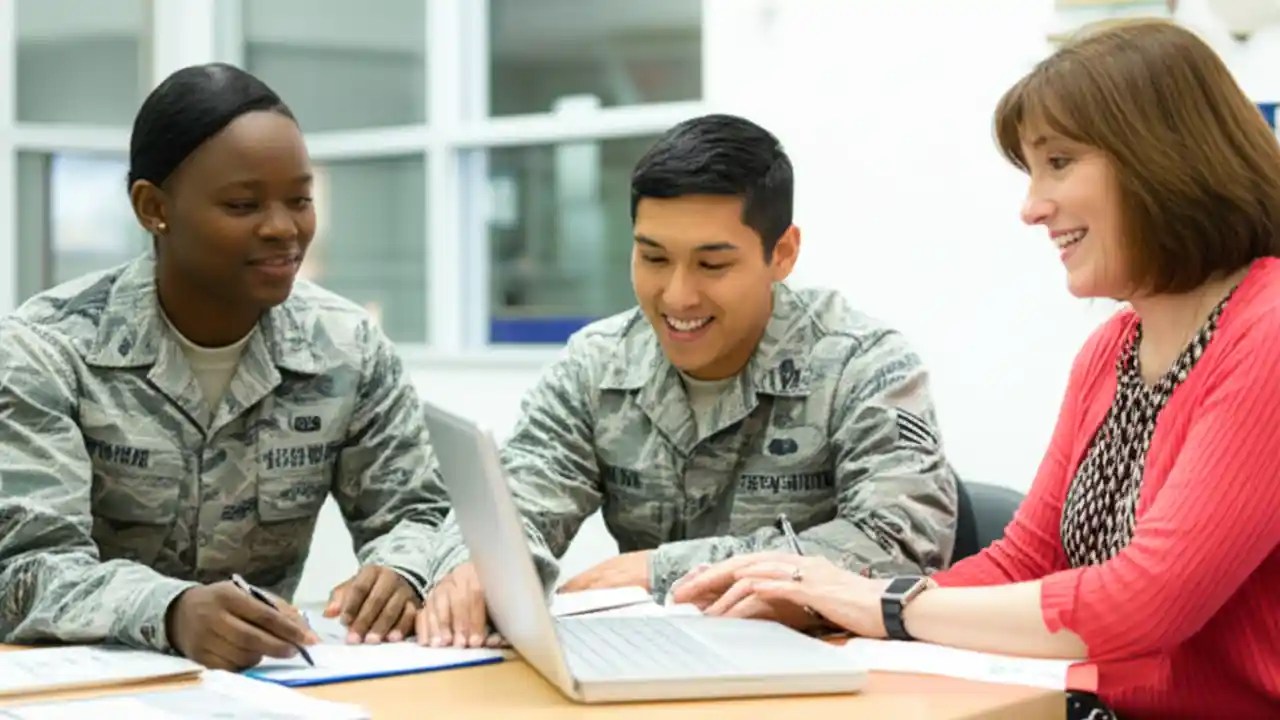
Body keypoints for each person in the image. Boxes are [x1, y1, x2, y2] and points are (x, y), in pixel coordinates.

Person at [671, 19, 1280, 719]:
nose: (1032, 208)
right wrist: (828, 607)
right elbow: (1025, 561)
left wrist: (887, 605)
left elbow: (1146, 603)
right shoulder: (1110, 350)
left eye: (1059, 163)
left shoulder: (1267, 329)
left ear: (1161, 157)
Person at [415, 113, 959, 648]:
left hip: (818, 676)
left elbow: (899, 544)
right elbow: (514, 501)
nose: (677, 296)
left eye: (712, 265)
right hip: (649, 669)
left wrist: (661, 572)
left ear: (783, 253)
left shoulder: (861, 365)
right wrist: (474, 566)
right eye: (653, 257)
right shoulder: (597, 366)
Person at [0, 63, 450, 670]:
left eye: (300, 200)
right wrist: (171, 610)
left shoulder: (348, 348)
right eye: (243, 204)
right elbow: (25, 568)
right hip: (88, 691)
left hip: (272, 686)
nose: (283, 229)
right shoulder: (45, 351)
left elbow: (420, 514)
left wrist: (404, 569)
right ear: (152, 207)